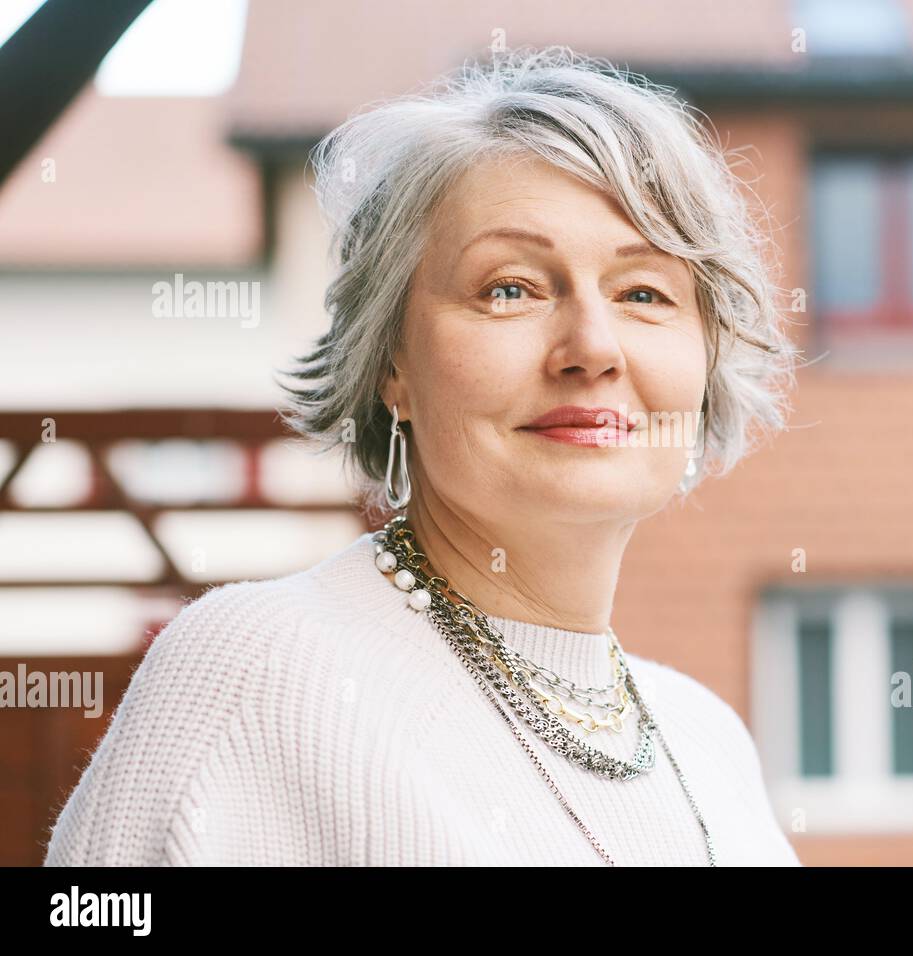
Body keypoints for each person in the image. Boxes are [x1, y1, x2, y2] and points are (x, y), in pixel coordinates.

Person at [44, 46, 803, 866]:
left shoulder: (708, 739)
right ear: (393, 365)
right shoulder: (256, 669)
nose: (592, 347)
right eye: (509, 288)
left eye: (643, 293)